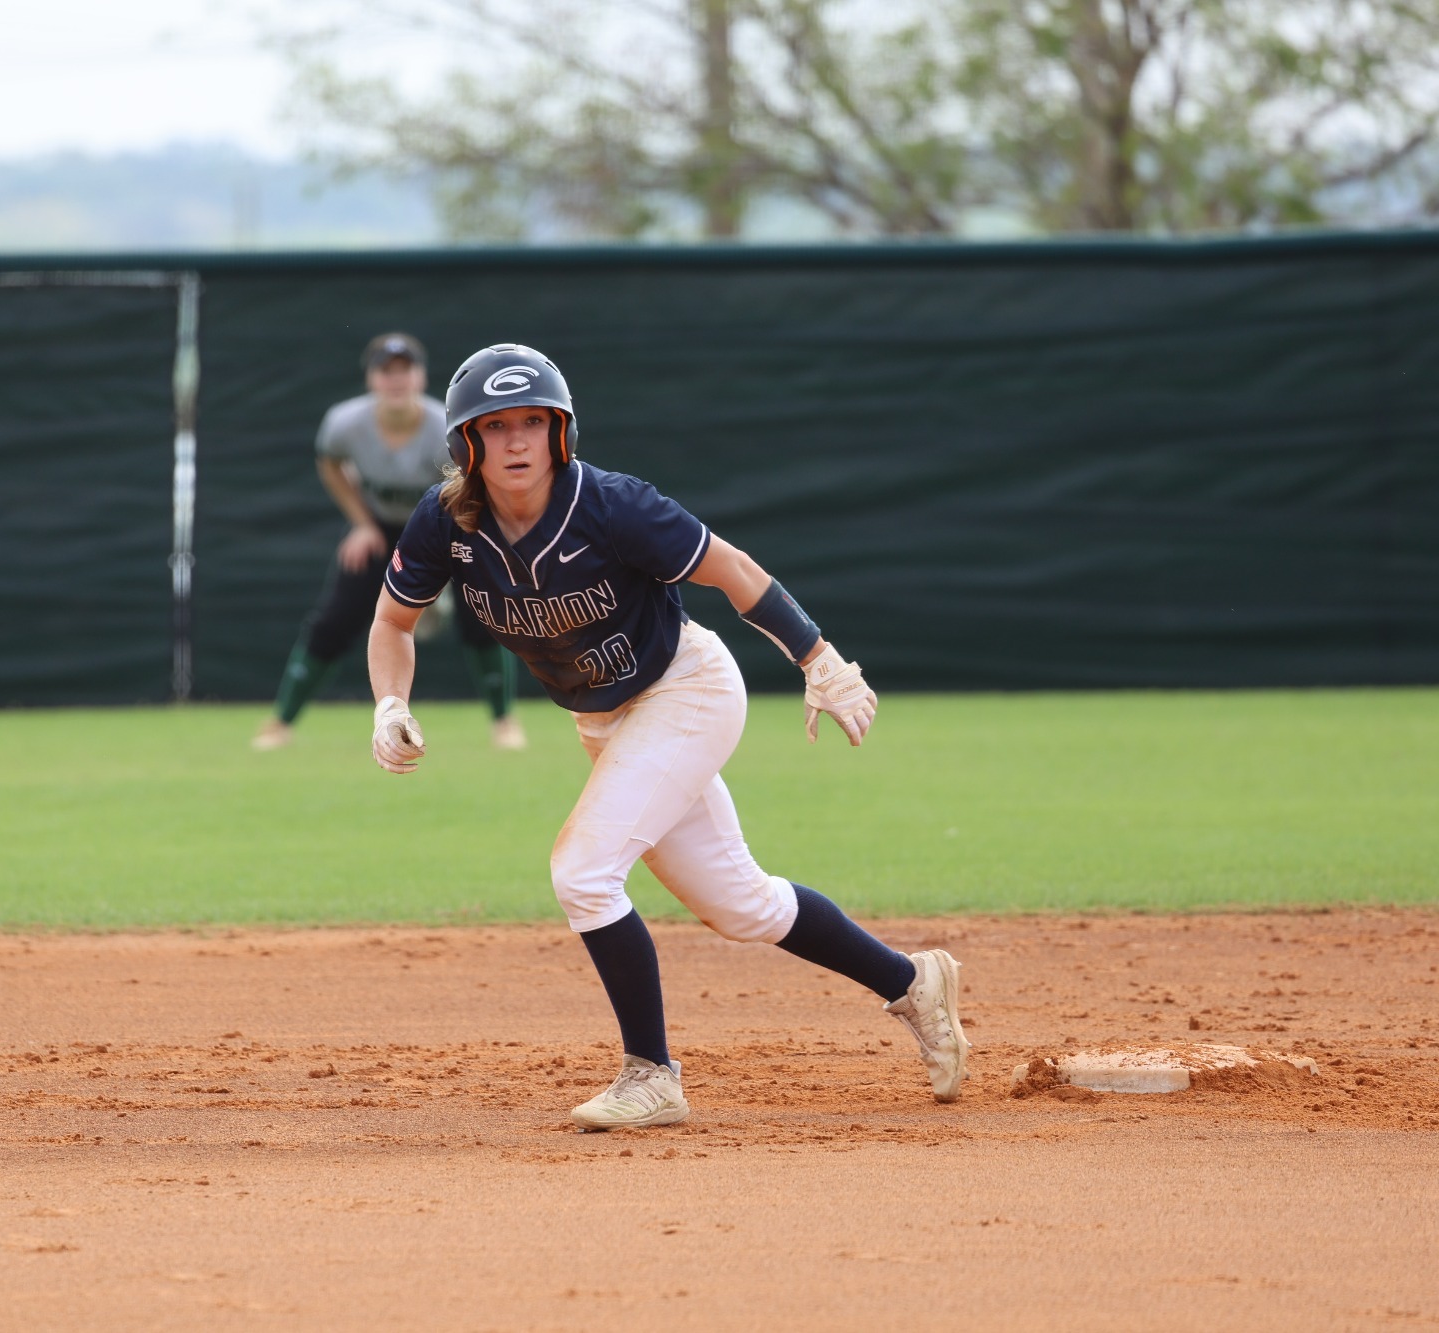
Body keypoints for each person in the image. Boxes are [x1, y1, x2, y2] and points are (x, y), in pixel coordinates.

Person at [365, 344, 969, 1130]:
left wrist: (818, 658)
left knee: (583, 873)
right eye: (496, 426)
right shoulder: (446, 520)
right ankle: (914, 981)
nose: (517, 442)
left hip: (686, 691)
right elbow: (391, 622)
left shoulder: (614, 505)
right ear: (465, 444)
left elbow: (733, 569)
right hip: (605, 719)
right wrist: (389, 702)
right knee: (741, 904)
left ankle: (652, 1074)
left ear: (560, 433)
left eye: (533, 424)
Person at [254, 332, 524, 751]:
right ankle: (280, 723)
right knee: (333, 621)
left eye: (405, 370)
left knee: (484, 617)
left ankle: (504, 722)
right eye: (386, 371)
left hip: (448, 521)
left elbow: (473, 483)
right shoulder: (344, 422)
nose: (396, 380)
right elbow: (329, 464)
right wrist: (361, 523)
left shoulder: (444, 426)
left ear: (421, 377)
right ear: (371, 379)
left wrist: (449, 555)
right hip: (381, 528)